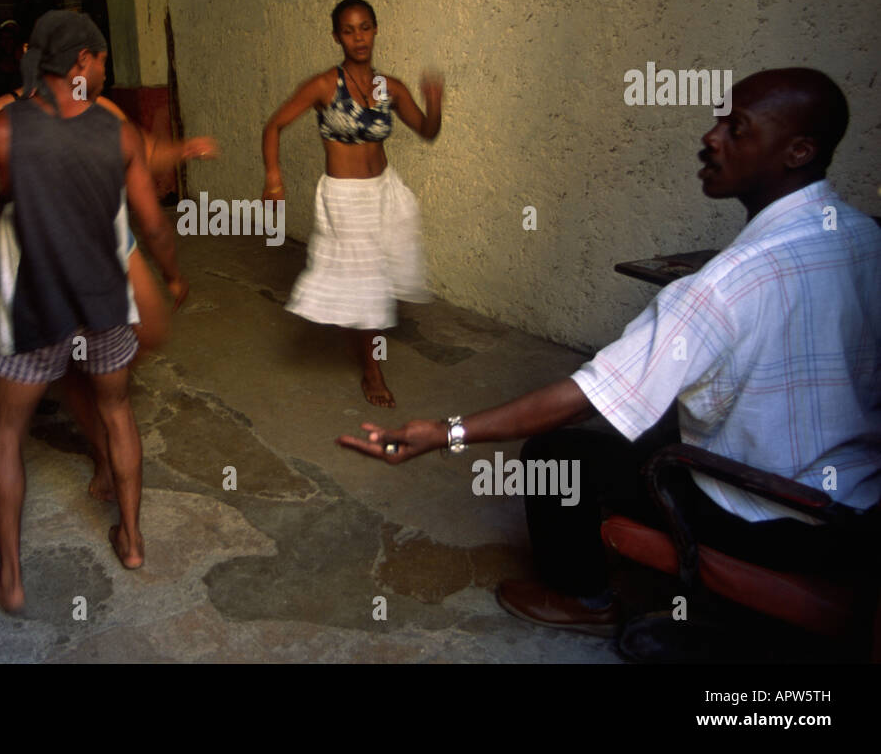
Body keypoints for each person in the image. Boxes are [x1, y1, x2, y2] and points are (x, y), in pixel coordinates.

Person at [339, 68, 880, 637]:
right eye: (718, 118)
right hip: (854, 511)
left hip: (768, 520)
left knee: (557, 453)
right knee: (657, 420)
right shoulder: (864, 236)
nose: (711, 136)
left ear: (798, 150)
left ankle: (584, 600)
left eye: (736, 128)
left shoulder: (724, 285)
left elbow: (582, 398)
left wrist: (445, 432)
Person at [0, 11, 186, 612]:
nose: (104, 69)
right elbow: (152, 225)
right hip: (103, 305)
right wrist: (173, 273)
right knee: (118, 412)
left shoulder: (1, 129)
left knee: (7, 433)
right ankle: (130, 540)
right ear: (80, 61)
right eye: (101, 59)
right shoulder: (116, 133)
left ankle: (12, 579)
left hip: (35, 309)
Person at [0, 87, 217, 500]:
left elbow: (144, 150)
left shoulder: (96, 104)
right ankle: (104, 456)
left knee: (151, 330)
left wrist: (183, 149)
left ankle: (93, 378)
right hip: (47, 254)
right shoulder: (1, 113)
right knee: (82, 362)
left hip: (110, 239)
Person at [263, 0, 442, 407]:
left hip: (384, 191)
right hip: (344, 197)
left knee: (388, 274)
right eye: (349, 30)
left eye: (365, 27)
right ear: (337, 37)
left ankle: (359, 332)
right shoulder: (325, 85)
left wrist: (435, 101)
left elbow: (427, 130)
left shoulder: (389, 88)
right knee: (365, 283)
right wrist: (273, 176)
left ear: (376, 30)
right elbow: (274, 125)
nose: (358, 37)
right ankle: (372, 370)